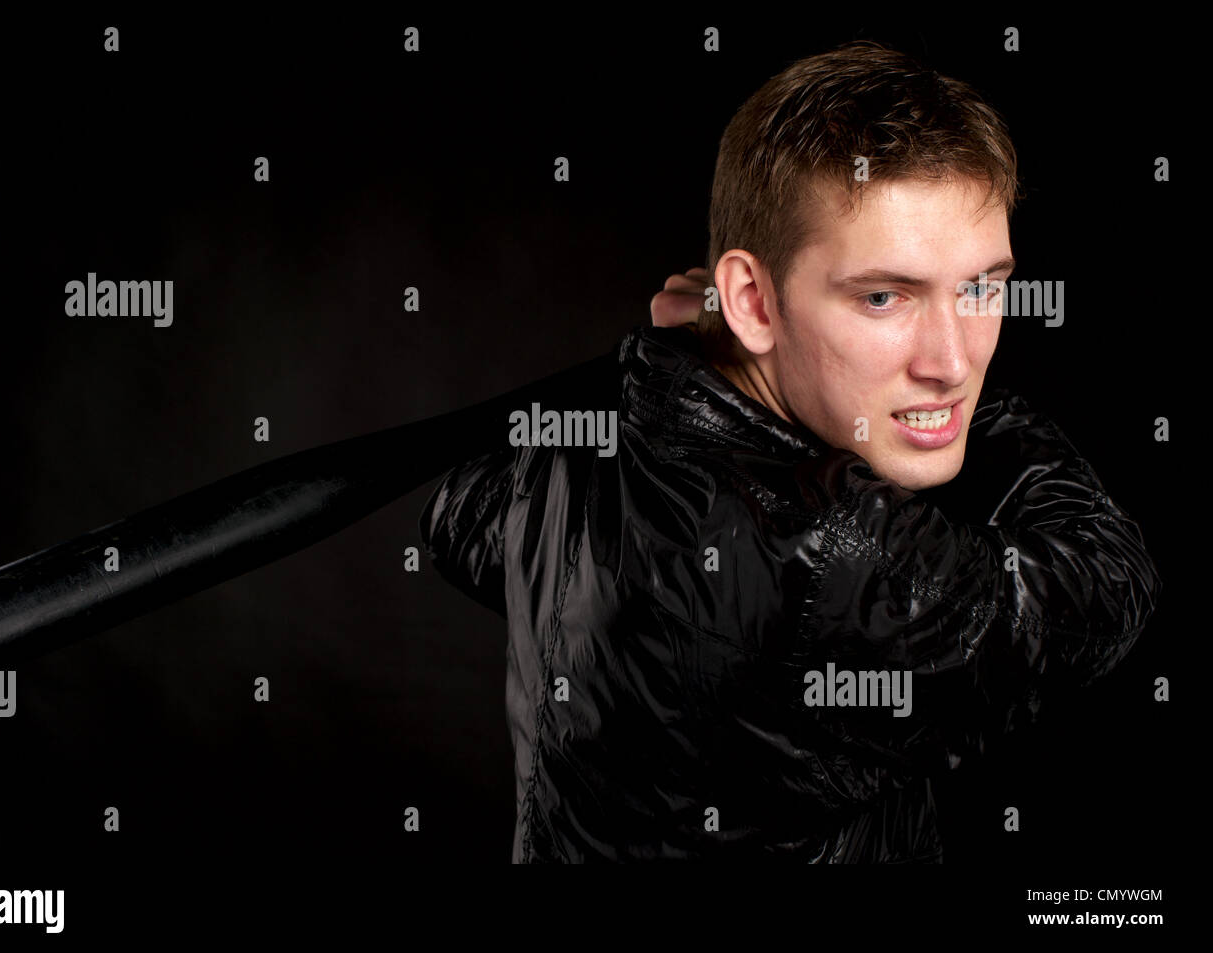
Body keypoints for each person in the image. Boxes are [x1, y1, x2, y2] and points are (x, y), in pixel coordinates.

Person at [419, 41, 1161, 862]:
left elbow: (456, 519)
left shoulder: (560, 458)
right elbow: (1104, 579)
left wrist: (683, 359)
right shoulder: (842, 562)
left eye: (982, 289)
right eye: (885, 296)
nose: (954, 360)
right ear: (750, 298)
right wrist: (969, 412)